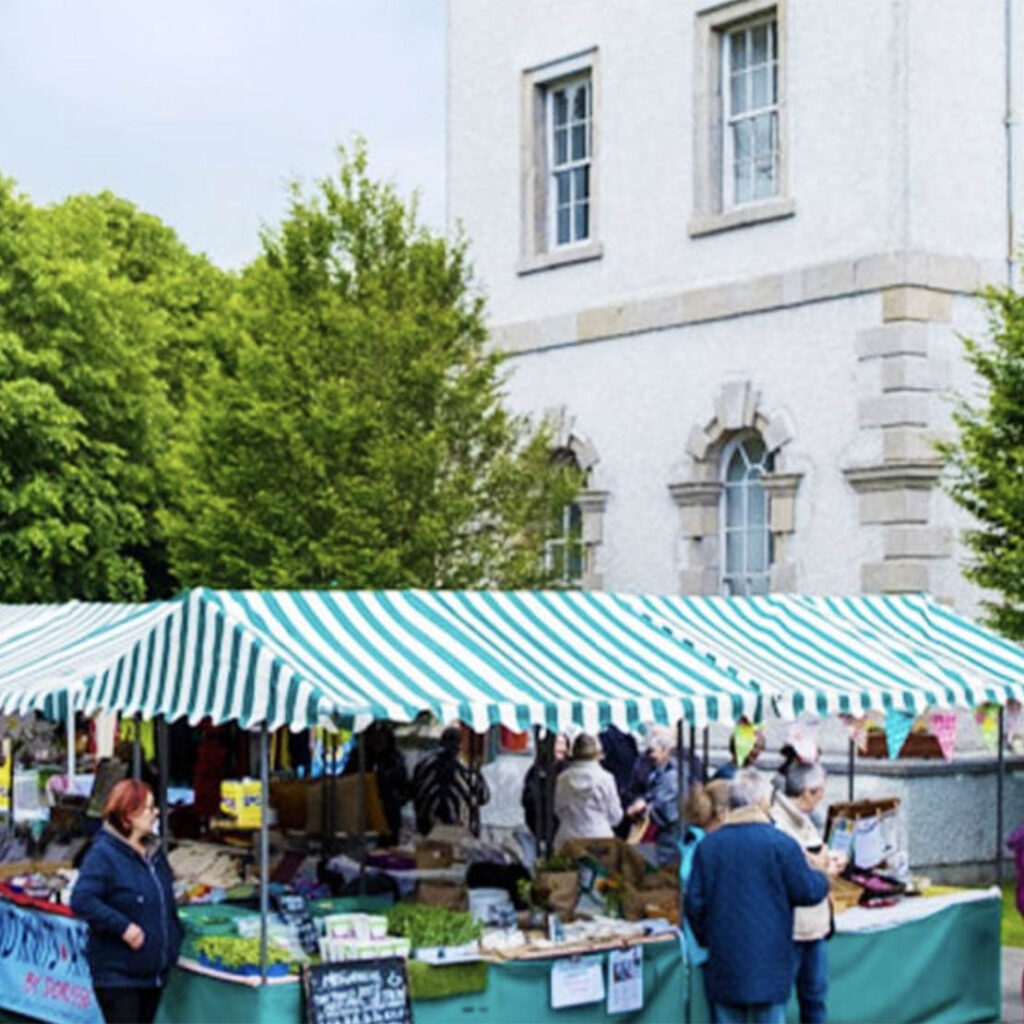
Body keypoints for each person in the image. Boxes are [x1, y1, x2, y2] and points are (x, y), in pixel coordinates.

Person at [684, 768, 829, 1024]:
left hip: (724, 958)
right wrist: (823, 873)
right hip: (770, 960)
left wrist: (710, 937)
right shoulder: (781, 844)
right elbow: (809, 891)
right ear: (762, 802)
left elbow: (694, 904)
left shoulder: (708, 846)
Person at [71, 779, 183, 1024]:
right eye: (149, 808)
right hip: (118, 976)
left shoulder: (154, 854)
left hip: (153, 975)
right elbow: (82, 899)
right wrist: (124, 927)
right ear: (127, 817)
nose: (156, 813)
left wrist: (174, 938)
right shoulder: (103, 854)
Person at [771, 761, 845, 1024]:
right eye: (820, 791)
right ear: (808, 792)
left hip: (814, 925)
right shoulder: (779, 822)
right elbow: (798, 867)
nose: (821, 798)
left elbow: (812, 859)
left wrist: (824, 861)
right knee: (783, 1002)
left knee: (815, 998)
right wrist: (824, 865)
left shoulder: (804, 820)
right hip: (792, 927)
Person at [678, 780, 731, 968]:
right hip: (707, 946)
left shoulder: (693, 841)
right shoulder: (704, 847)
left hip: (700, 943)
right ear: (722, 814)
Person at [411, 724, 489, 835]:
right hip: (460, 832)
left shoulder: (423, 766)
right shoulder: (467, 768)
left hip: (427, 832)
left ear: (441, 742)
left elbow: (412, 792)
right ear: (460, 745)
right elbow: (484, 797)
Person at [624, 725, 683, 865]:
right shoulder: (661, 770)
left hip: (667, 835)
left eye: (654, 751)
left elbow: (662, 807)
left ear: (665, 751)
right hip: (662, 833)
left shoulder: (671, 776)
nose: (651, 755)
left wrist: (643, 807)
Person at [552, 733, 623, 849]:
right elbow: (615, 815)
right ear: (596, 753)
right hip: (600, 838)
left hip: (568, 838)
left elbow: (558, 809)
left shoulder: (562, 779)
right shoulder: (606, 779)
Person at [521, 732, 569, 838]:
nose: (562, 748)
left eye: (564, 744)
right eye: (558, 743)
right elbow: (528, 798)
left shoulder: (568, 769)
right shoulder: (537, 769)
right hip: (541, 823)